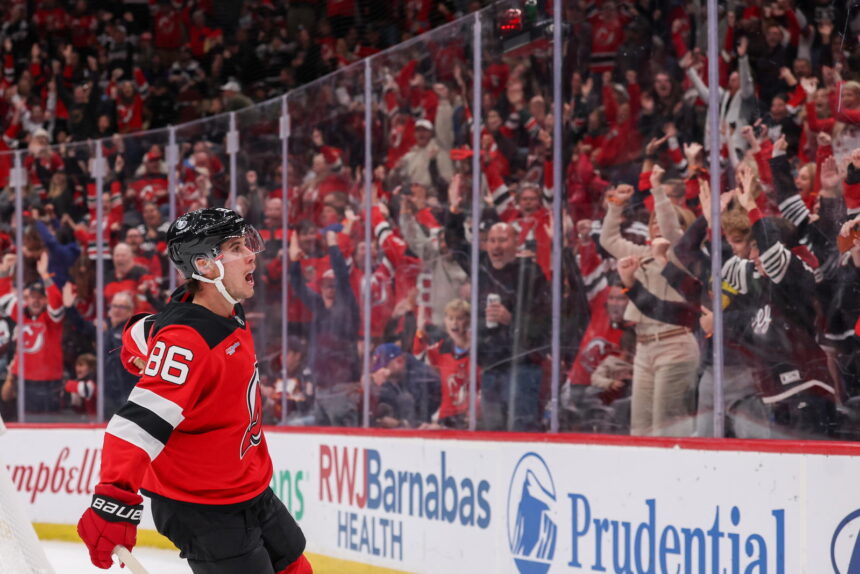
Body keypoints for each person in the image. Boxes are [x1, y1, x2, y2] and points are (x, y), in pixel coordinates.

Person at [77, 207, 312, 574]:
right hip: (202, 506)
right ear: (204, 266)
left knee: (296, 566)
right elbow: (135, 426)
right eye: (235, 247)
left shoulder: (223, 309)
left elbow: (144, 327)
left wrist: (133, 347)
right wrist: (112, 500)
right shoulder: (187, 343)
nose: (251, 254)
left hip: (246, 487)